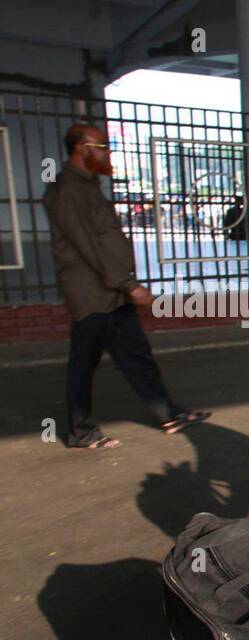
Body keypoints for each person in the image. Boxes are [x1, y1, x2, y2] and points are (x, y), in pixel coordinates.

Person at [42, 124, 209, 450]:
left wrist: (122, 287)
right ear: (81, 148)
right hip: (91, 295)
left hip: (112, 295)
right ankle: (80, 432)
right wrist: (129, 285)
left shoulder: (88, 186)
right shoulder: (68, 190)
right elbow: (88, 246)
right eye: (101, 146)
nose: (107, 152)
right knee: (83, 365)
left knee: (136, 355)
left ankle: (168, 413)